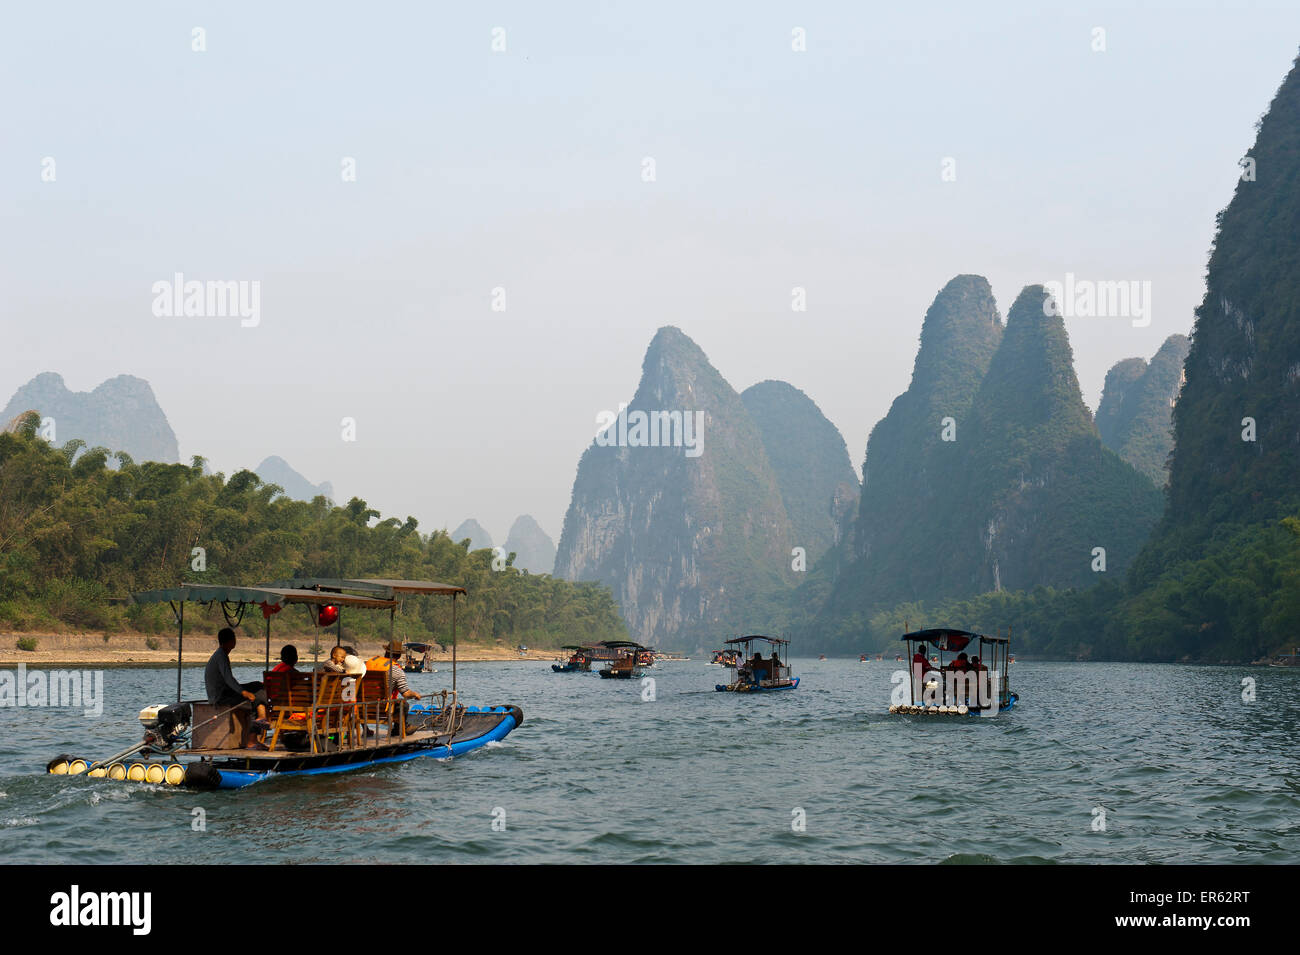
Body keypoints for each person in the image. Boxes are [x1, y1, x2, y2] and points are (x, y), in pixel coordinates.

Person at [204, 628, 270, 749]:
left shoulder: (221, 654)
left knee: (258, 686)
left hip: (225, 691)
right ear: (230, 642)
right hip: (220, 696)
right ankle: (251, 740)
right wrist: (243, 692)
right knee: (252, 702)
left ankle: (262, 717)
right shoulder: (221, 656)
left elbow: (229, 680)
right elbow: (229, 679)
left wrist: (244, 691)